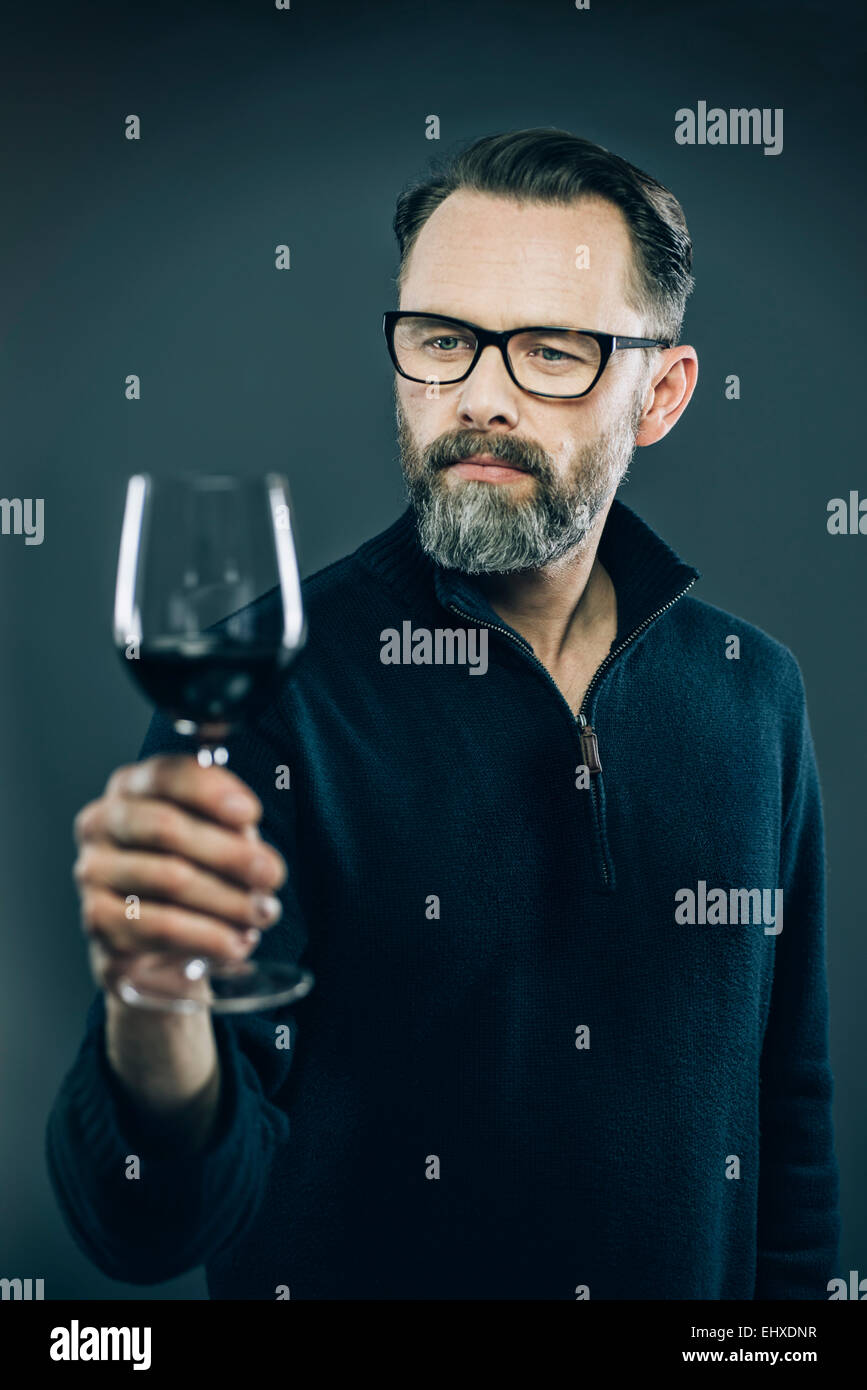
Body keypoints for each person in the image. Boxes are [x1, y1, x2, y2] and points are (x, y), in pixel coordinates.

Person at [47, 128, 839, 1300]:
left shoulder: (754, 692)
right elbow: (152, 1226)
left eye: (554, 352)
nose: (480, 394)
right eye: (443, 340)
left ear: (663, 392)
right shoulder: (264, 693)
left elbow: (793, 1134)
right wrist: (151, 1001)